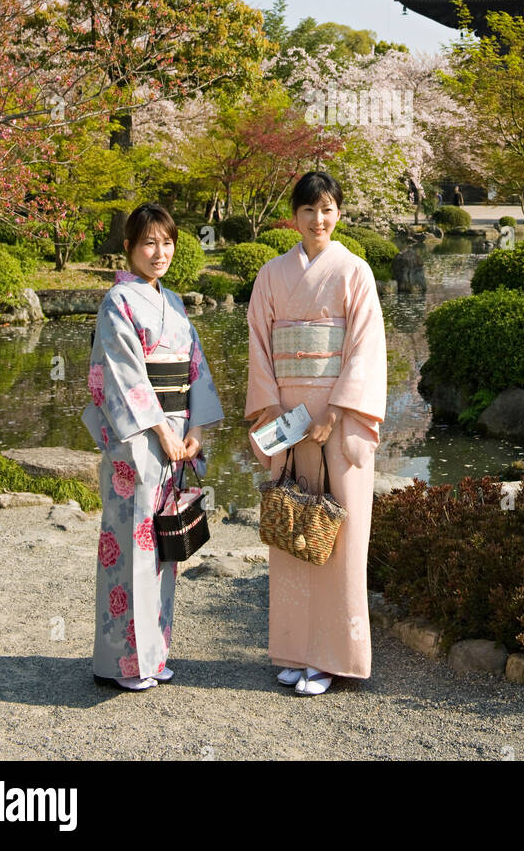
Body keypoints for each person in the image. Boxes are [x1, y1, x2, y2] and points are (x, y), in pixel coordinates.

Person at [245, 171, 387, 696]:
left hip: (339, 419)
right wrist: (271, 414)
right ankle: (296, 650)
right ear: (294, 216)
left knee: (339, 537)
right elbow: (259, 347)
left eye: (327, 209)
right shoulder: (271, 275)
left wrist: (333, 412)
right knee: (291, 529)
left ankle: (335, 658)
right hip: (288, 417)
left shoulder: (355, 272)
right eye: (308, 210)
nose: (317, 219)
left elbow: (367, 349)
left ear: (339, 214)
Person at [83, 203, 224, 691]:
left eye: (167, 242)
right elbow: (120, 375)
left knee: (165, 546)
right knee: (131, 546)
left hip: (177, 432)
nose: (159, 252)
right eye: (148, 243)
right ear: (129, 248)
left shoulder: (177, 304)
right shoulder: (117, 302)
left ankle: (155, 653)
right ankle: (123, 662)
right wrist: (160, 431)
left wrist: (196, 430)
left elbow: (195, 371)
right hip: (139, 440)